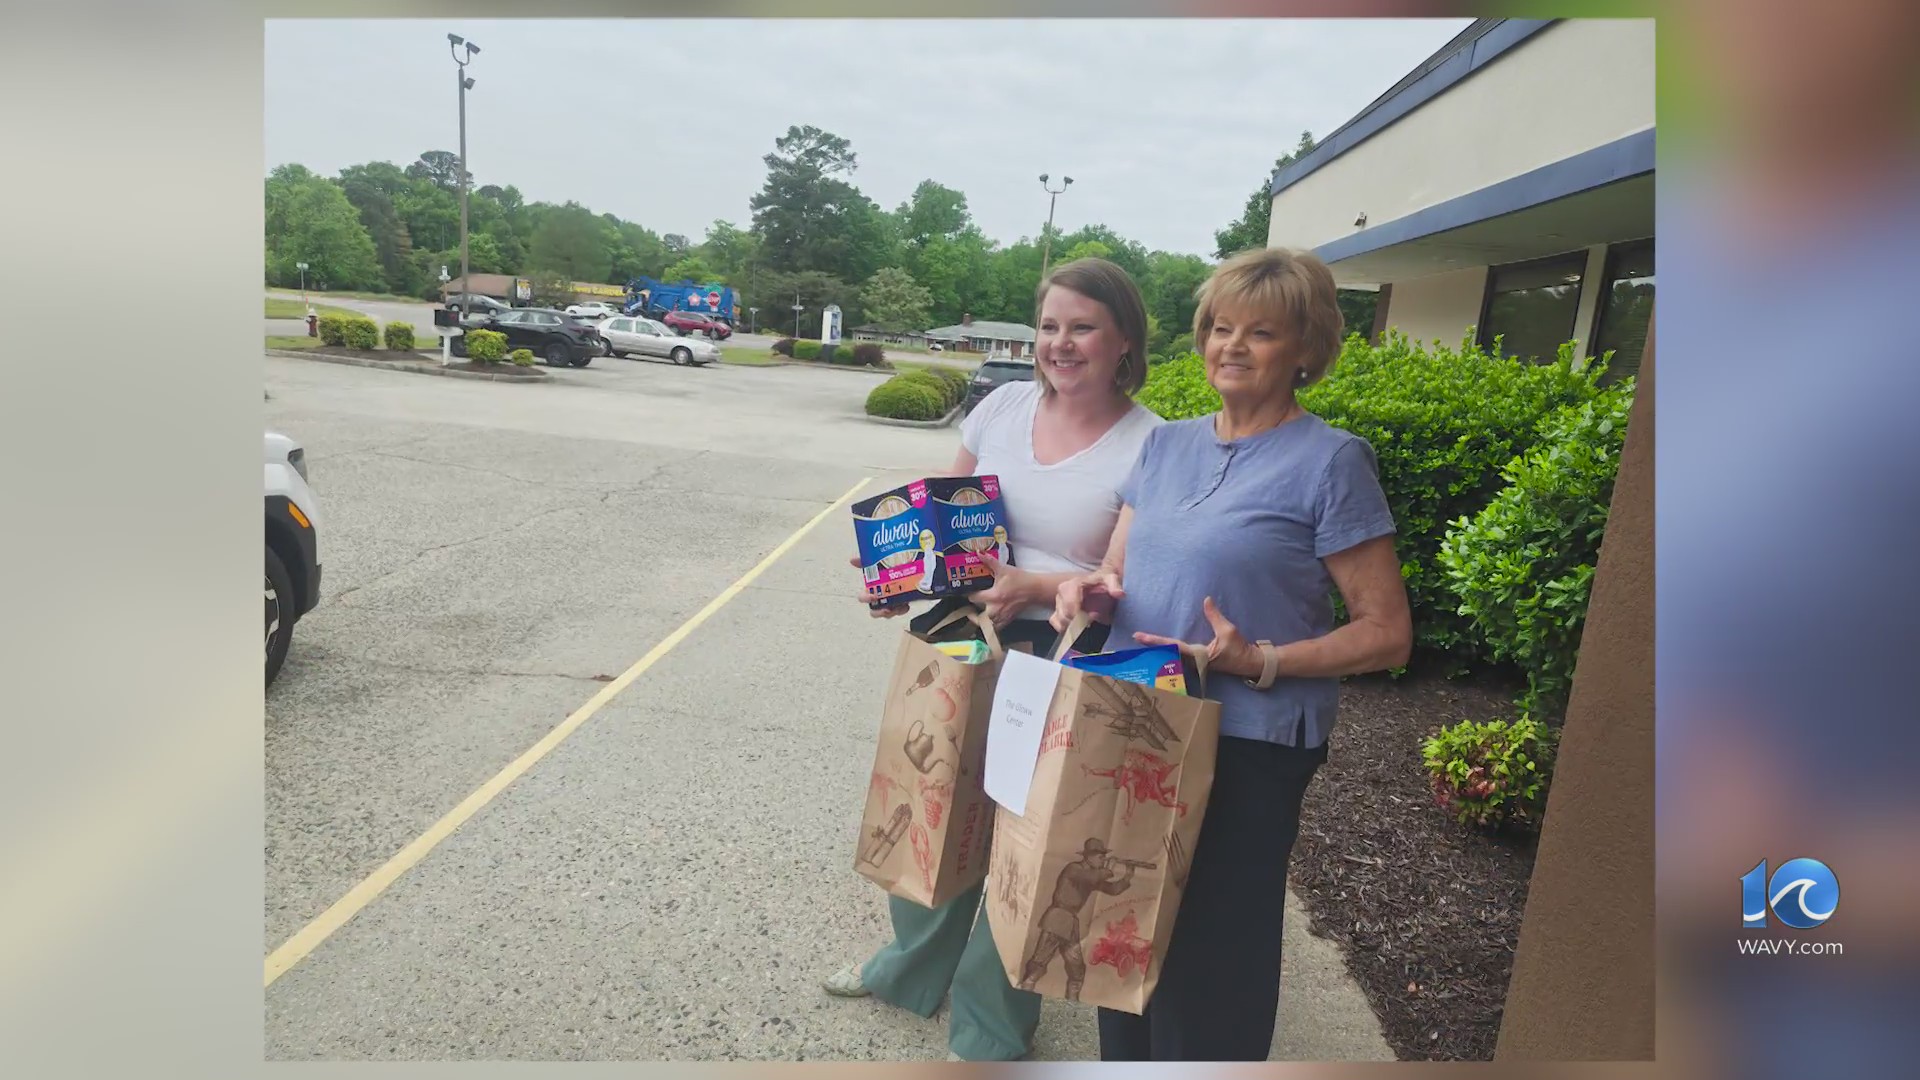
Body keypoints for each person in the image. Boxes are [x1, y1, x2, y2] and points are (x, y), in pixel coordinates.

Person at [1051, 246, 1413, 1062]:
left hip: (1246, 743)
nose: (1232, 346)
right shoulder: (1167, 445)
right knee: (1126, 923)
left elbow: (1387, 633)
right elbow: (1120, 568)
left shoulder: (1332, 462)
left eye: (1262, 332)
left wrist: (1262, 660)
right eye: (1219, 327)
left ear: (1307, 350)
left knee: (1211, 951)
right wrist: (1091, 593)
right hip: (1135, 713)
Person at [827, 257, 1164, 1061]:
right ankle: (909, 969)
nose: (1060, 342)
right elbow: (942, 517)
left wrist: (1033, 585)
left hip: (1063, 651)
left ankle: (991, 1025)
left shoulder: (1150, 444)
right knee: (934, 806)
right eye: (1050, 325)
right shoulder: (1003, 405)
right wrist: (894, 573)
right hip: (961, 632)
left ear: (1123, 339)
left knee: (1033, 837)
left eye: (1082, 326)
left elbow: (1118, 580)